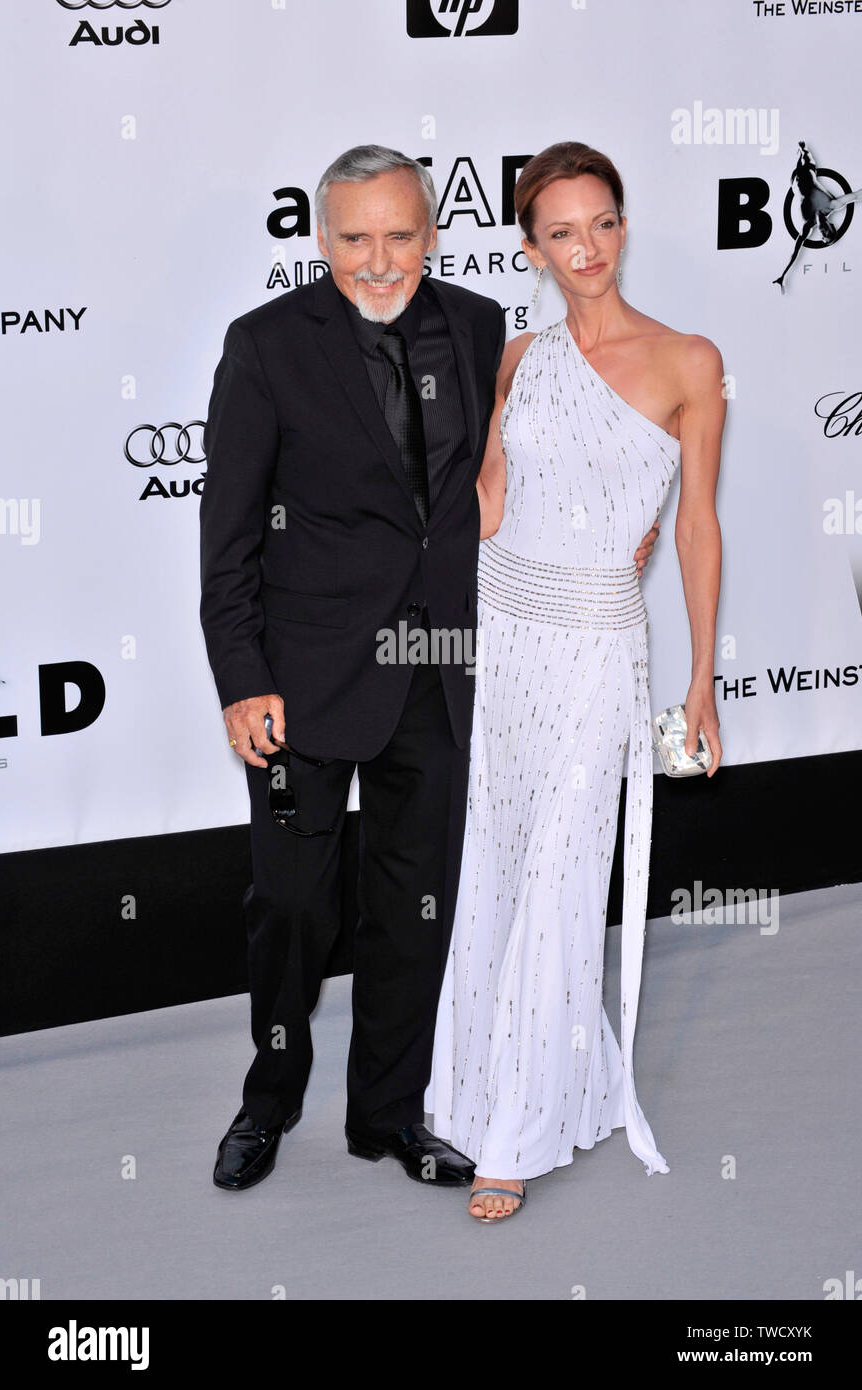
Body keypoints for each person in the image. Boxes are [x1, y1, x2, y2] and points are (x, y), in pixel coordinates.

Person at [199, 143, 660, 1194]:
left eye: (400, 234)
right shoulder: (265, 347)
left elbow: (503, 485)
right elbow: (226, 538)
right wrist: (241, 678)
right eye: (355, 237)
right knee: (294, 908)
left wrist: (610, 535)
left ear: (432, 232)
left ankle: (391, 1115)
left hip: (445, 671)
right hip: (303, 682)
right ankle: (267, 1100)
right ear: (321, 241)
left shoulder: (476, 324)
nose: (378, 259)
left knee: (416, 906)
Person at [427, 141, 725, 1221]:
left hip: (600, 640)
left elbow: (694, 524)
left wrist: (700, 678)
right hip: (506, 628)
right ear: (532, 247)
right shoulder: (519, 358)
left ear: (624, 225)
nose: (588, 247)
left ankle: (514, 1134)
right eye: (563, 231)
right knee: (503, 866)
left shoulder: (689, 359)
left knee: (561, 869)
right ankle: (517, 1082)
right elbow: (489, 505)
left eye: (603, 223)